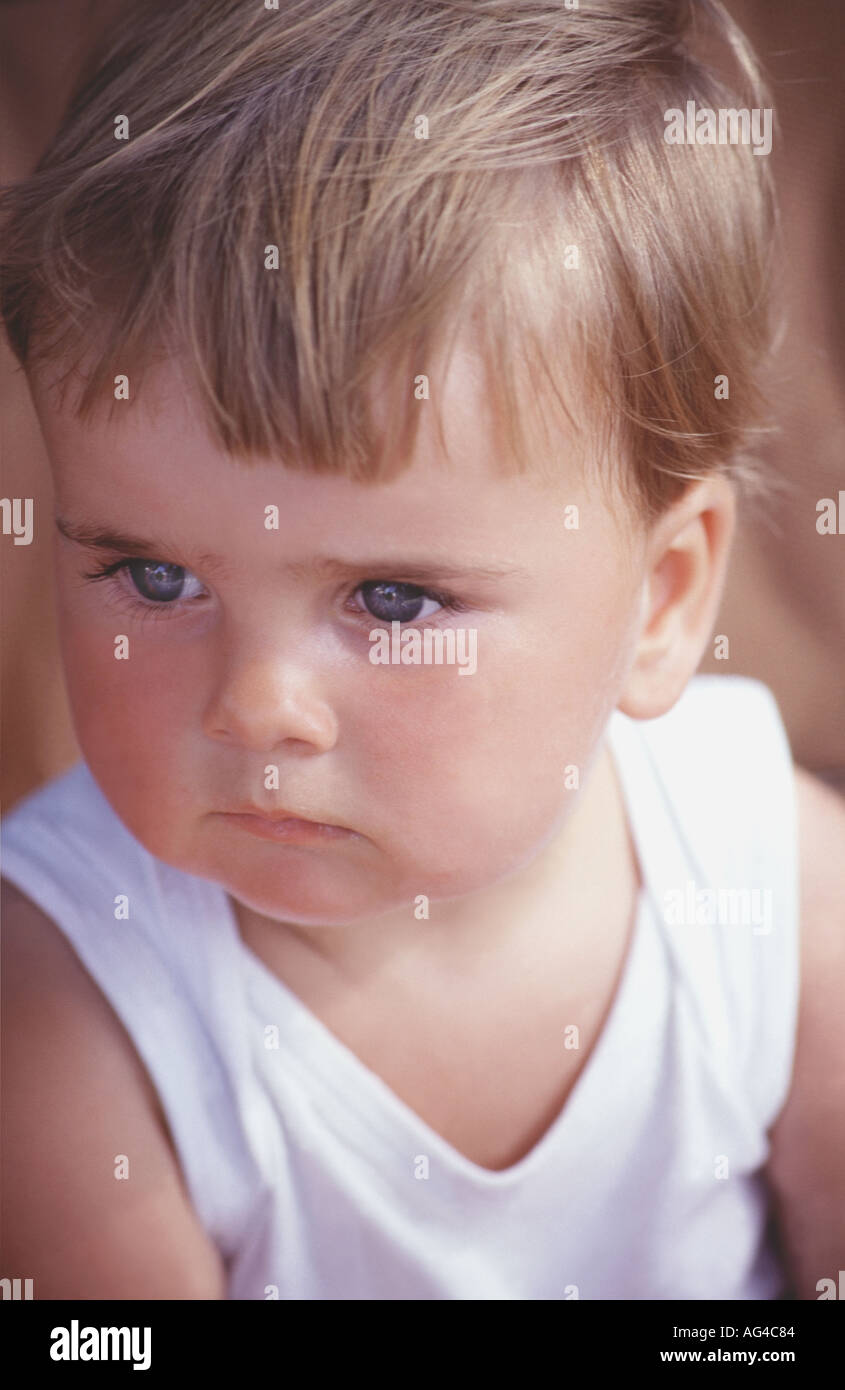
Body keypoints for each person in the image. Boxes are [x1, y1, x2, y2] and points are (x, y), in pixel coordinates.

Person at [1, 0, 843, 1300]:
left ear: (663, 599)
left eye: (391, 600)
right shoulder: (60, 1001)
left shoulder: (772, 893)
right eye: (154, 574)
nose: (260, 706)